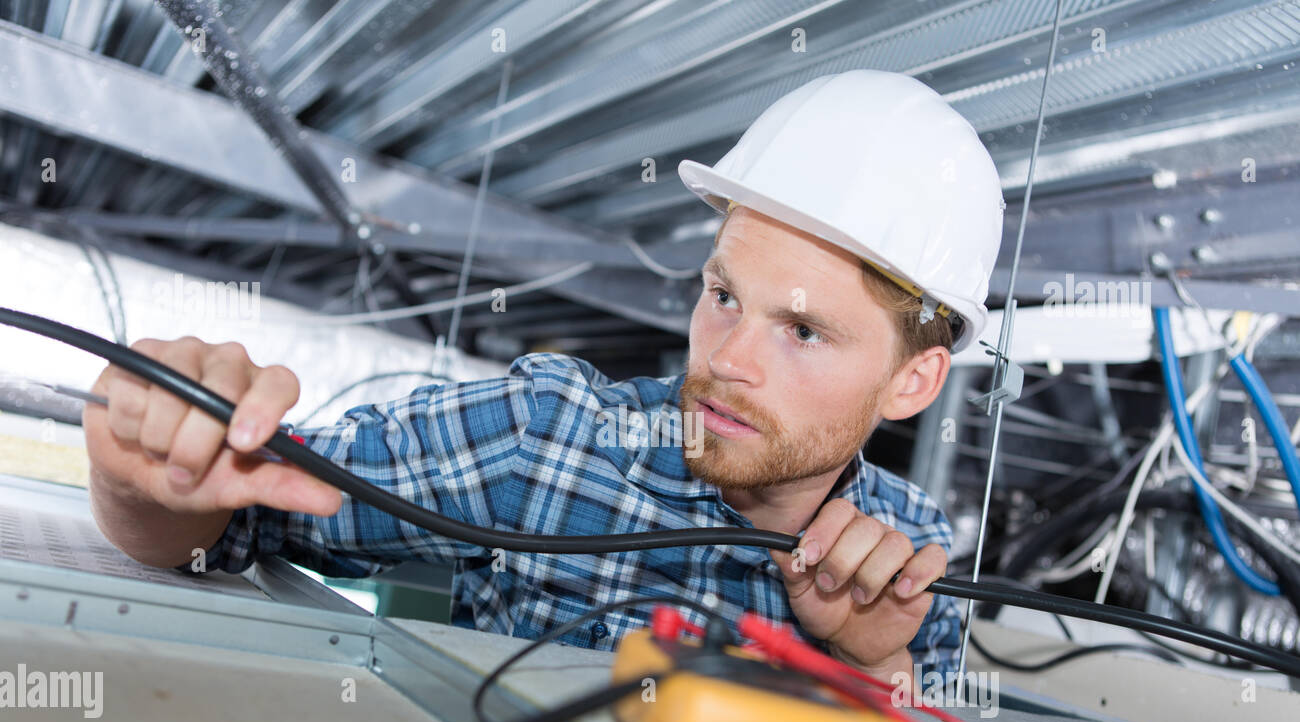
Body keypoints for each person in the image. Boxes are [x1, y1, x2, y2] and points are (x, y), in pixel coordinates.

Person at [84, 70, 1005, 689]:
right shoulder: (546, 434)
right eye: (723, 293)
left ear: (915, 382)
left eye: (802, 330)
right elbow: (221, 524)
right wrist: (146, 466)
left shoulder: (909, 551)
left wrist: (873, 661)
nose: (727, 359)